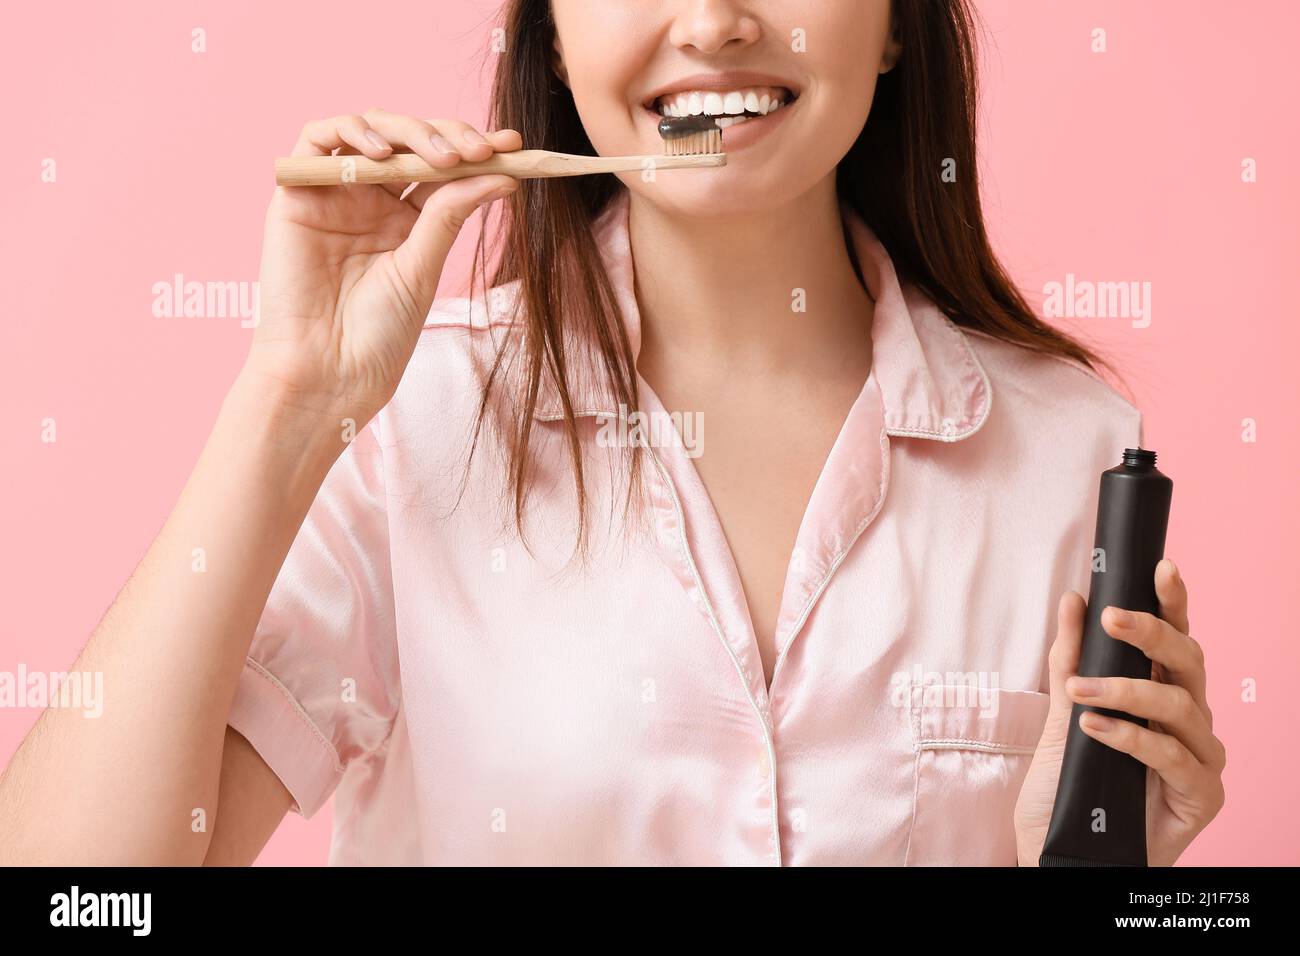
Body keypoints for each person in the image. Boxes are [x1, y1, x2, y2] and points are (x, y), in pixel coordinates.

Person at [0, 0, 1225, 866]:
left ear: (898, 22)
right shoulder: (408, 420)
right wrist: (288, 398)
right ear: (551, 35)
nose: (712, 21)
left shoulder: (1074, 451)